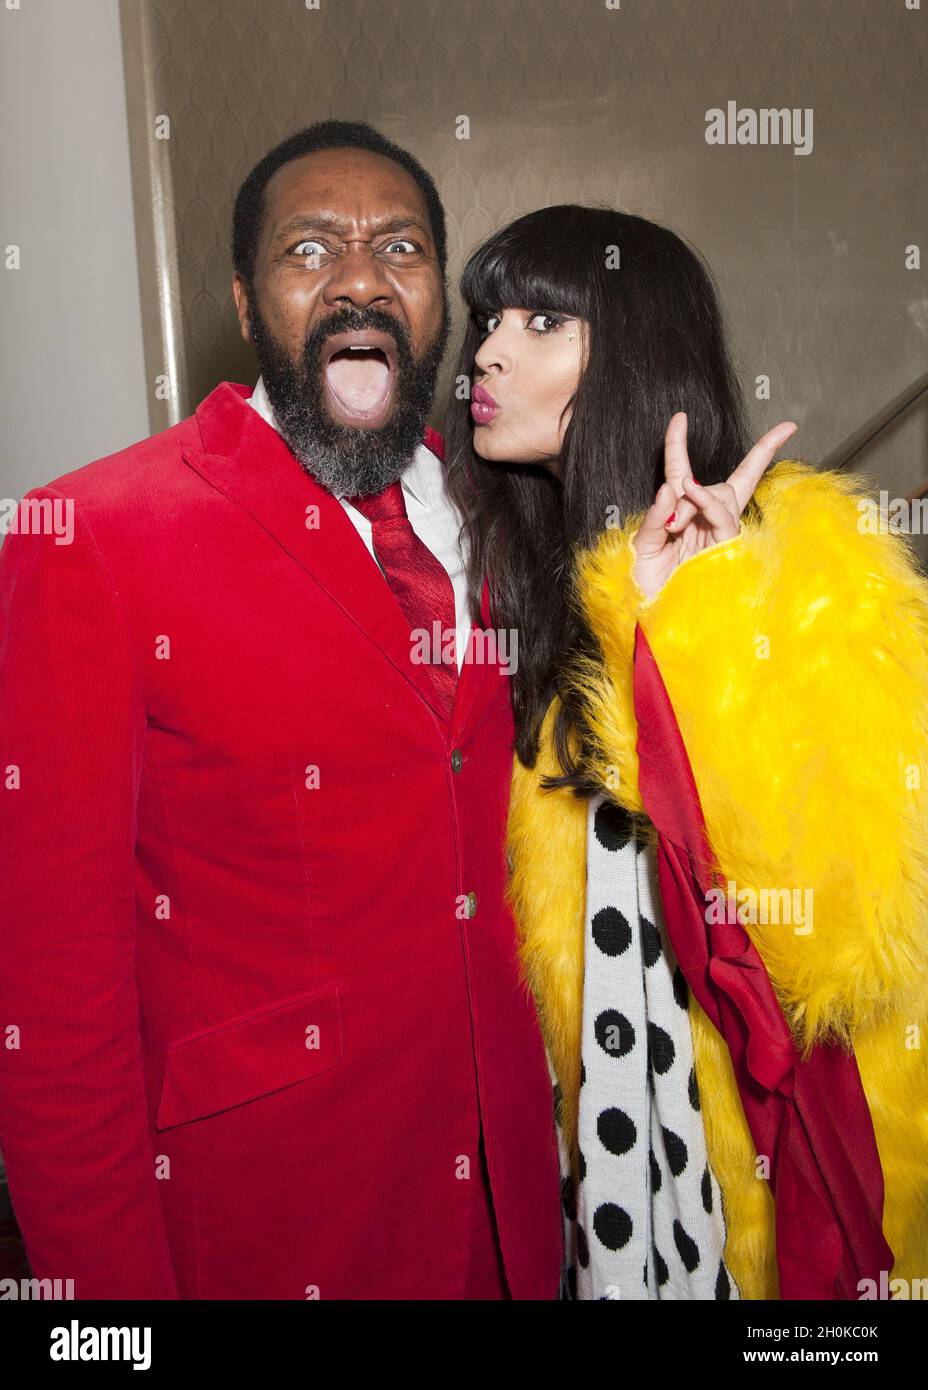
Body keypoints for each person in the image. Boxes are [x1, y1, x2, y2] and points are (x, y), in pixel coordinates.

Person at [0, 121, 563, 1300]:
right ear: (247, 305)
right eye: (310, 250)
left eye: (399, 248)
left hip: (516, 1214)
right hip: (272, 1230)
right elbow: (52, 1004)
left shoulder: (506, 511)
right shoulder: (92, 540)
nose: (360, 277)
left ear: (435, 303)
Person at [443, 204, 928, 1300]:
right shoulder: (531, 595)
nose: (486, 349)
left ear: (634, 352)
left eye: (539, 321)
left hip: (797, 1191)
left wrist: (692, 637)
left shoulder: (812, 562)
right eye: (487, 318)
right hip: (625, 1195)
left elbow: (836, 957)